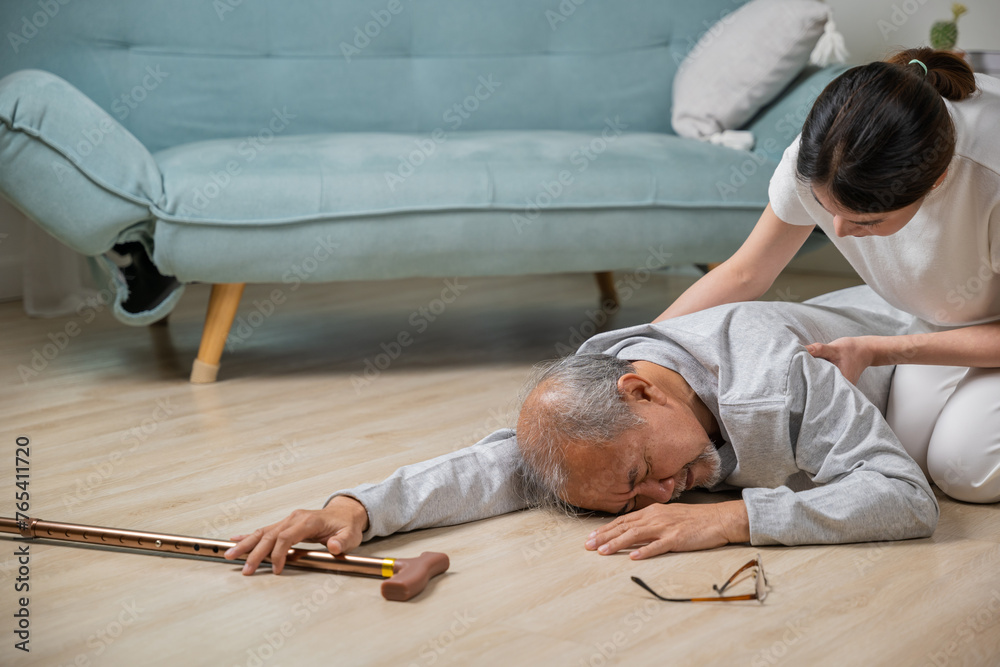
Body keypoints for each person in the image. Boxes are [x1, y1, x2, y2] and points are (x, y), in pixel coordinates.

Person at [225, 287, 938, 575]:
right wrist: (355, 508)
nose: (659, 497)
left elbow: (904, 495)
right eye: (631, 499)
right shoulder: (599, 404)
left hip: (920, 350)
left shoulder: (776, 374)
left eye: (639, 477)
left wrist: (734, 518)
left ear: (642, 390)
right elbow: (494, 467)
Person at [654, 47, 1000, 504]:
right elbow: (744, 272)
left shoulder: (988, 175)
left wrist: (882, 350)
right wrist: (627, 349)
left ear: (935, 184)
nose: (840, 230)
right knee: (905, 455)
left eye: (867, 222)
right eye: (826, 209)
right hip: (947, 315)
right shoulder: (827, 156)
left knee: (963, 471)